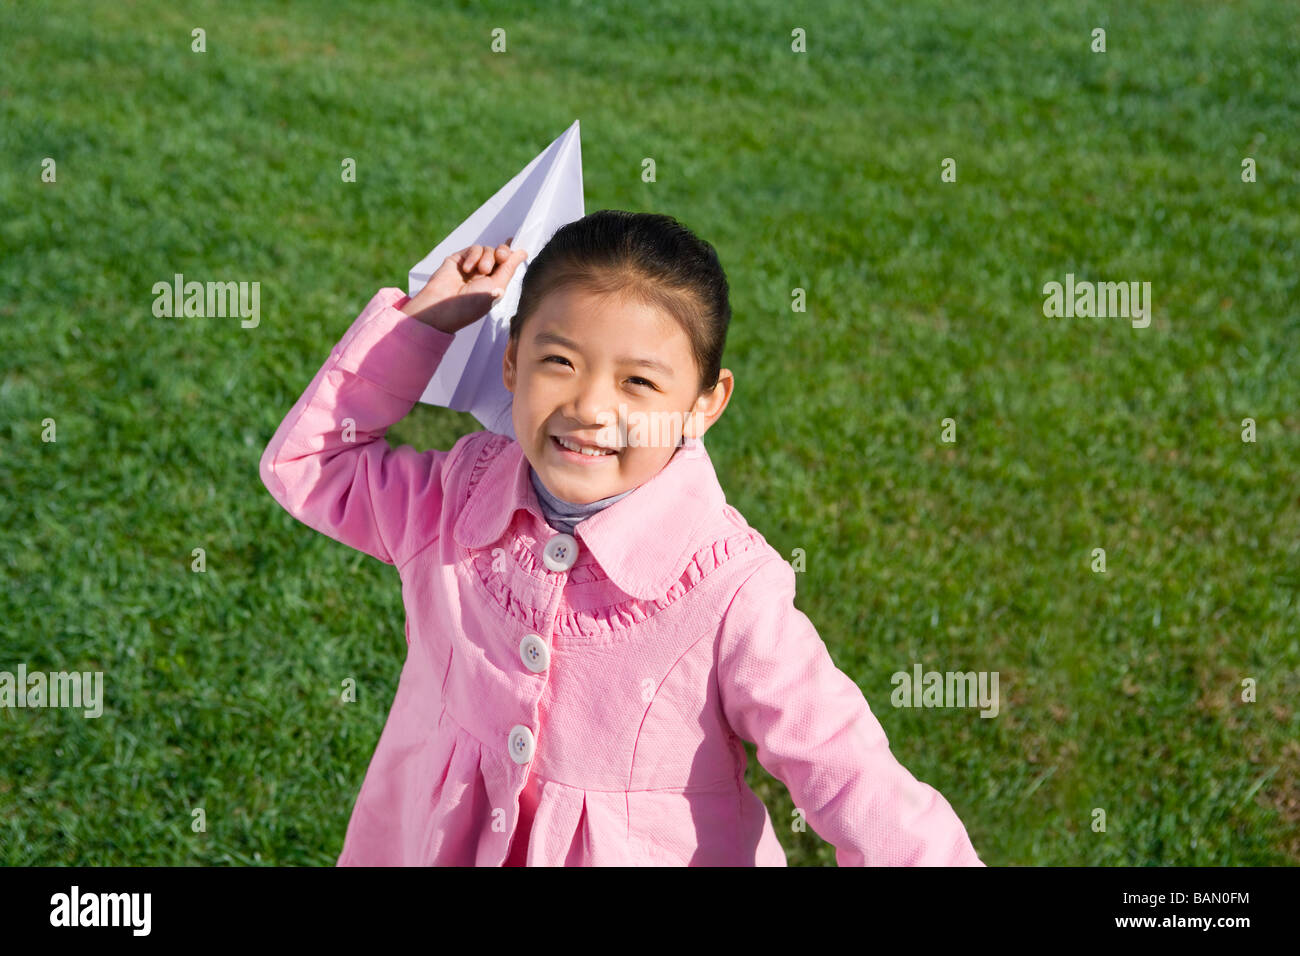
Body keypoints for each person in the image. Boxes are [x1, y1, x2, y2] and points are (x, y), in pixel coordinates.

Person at [258, 209, 985, 866]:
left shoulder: (730, 592)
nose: (590, 407)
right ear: (511, 361)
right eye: (559, 361)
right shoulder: (457, 496)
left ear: (706, 404)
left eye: (639, 382)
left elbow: (850, 777)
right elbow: (311, 465)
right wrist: (424, 323)